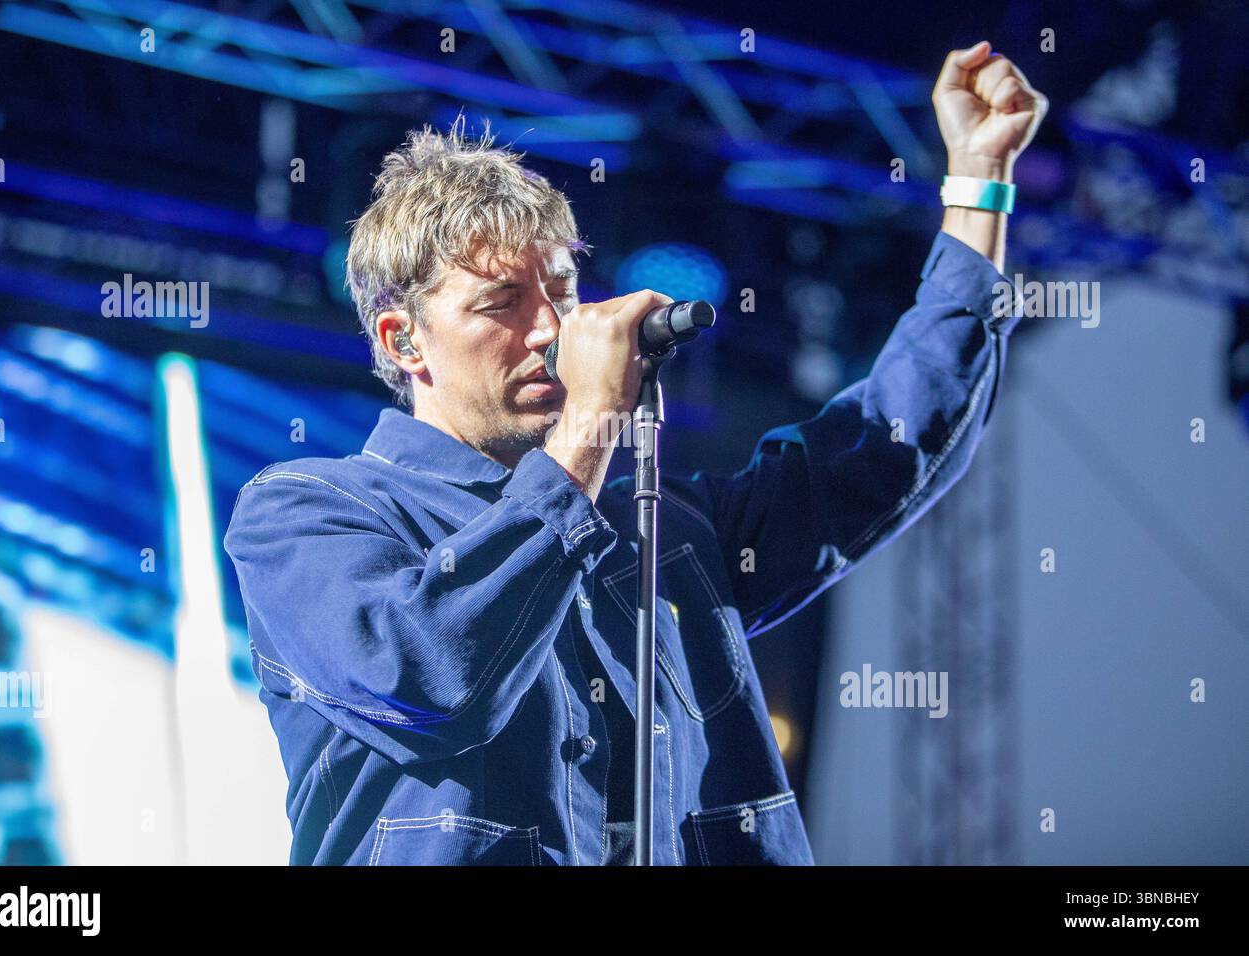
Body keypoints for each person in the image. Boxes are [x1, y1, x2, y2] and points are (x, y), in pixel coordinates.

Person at [223, 41, 1047, 865]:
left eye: (562, 292)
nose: (549, 328)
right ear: (405, 340)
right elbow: (433, 679)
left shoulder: (666, 531)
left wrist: (978, 183)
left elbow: (881, 450)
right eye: (501, 303)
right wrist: (587, 429)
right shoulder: (307, 511)